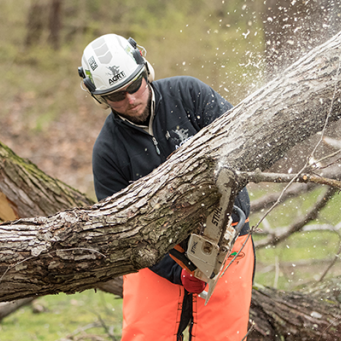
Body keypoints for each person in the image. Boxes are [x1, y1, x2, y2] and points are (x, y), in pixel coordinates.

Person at [78, 34, 255, 341]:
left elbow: (242, 146)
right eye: (117, 96)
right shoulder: (108, 152)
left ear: (145, 69)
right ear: (100, 97)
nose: (130, 99)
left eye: (134, 86)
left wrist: (232, 217)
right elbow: (122, 231)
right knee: (146, 335)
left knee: (222, 336)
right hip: (156, 254)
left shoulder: (189, 95)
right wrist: (179, 271)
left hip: (227, 241)